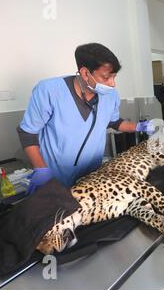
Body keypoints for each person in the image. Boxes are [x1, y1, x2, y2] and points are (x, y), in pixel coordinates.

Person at [17, 43, 155, 192]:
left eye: (114, 77)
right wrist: (41, 169)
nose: (112, 84)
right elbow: (28, 132)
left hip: (92, 177)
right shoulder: (49, 91)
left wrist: (139, 126)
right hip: (56, 177)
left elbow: (114, 122)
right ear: (84, 73)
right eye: (106, 77)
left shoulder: (111, 95)